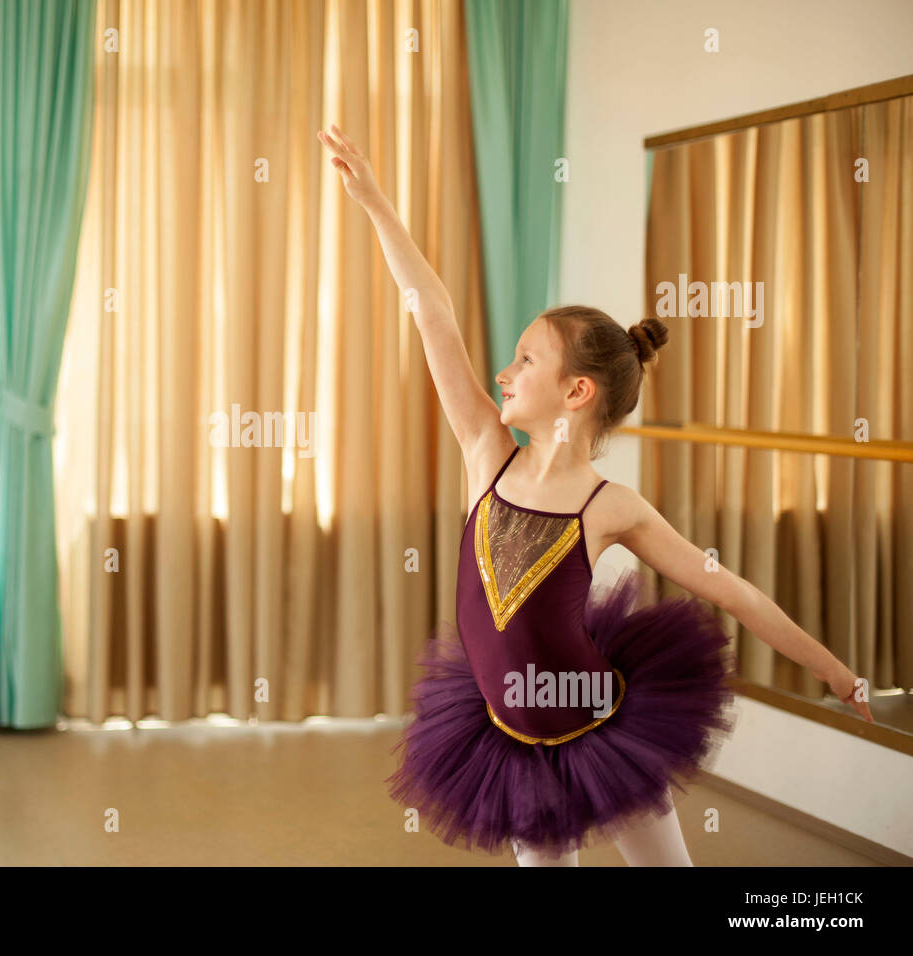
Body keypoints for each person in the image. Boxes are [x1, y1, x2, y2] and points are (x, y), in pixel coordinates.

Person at [317, 123, 873, 866]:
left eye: (524, 360)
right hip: (506, 736)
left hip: (603, 729)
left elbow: (731, 591)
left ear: (576, 392)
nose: (503, 372)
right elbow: (430, 310)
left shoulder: (613, 506)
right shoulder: (485, 452)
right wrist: (377, 205)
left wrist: (837, 674)